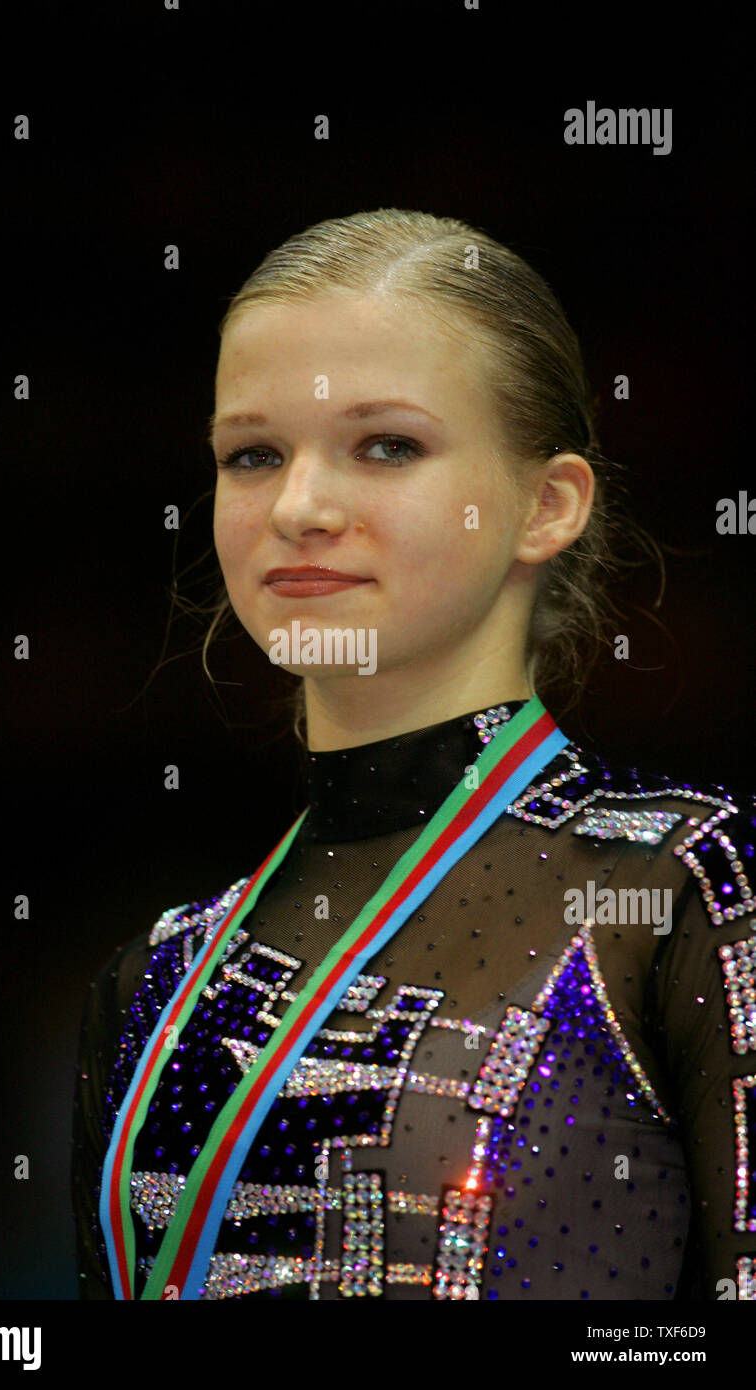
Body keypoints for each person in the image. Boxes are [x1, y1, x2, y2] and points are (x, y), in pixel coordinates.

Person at [71, 208, 756, 1302]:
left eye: (385, 446)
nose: (297, 505)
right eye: (252, 454)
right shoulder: (156, 974)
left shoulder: (680, 889)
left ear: (546, 504)